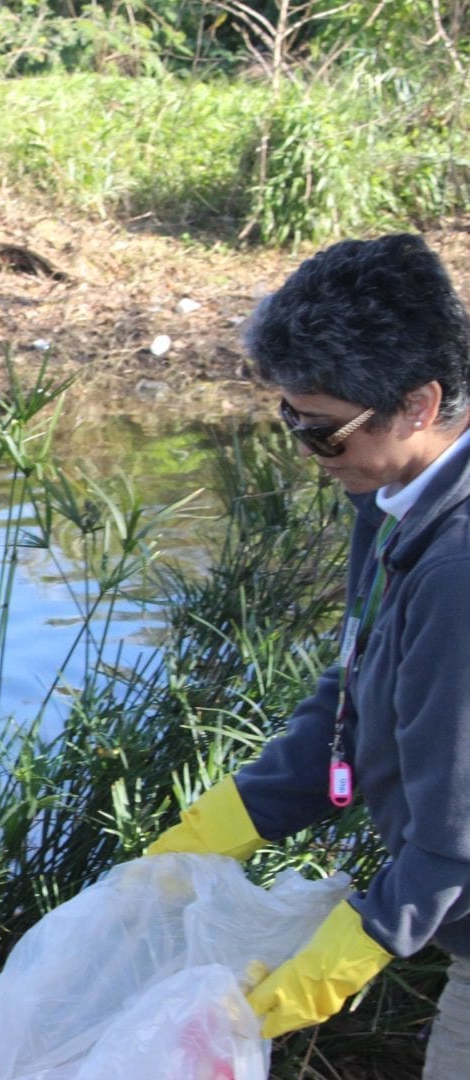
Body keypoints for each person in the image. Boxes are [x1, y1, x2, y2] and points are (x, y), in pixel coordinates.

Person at [148, 233, 470, 1073]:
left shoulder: (459, 570)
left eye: (324, 432)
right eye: (289, 419)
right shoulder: (396, 495)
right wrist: (229, 822)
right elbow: (362, 687)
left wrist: (350, 952)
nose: (307, 452)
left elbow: (456, 827)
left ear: (420, 404)